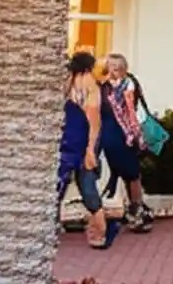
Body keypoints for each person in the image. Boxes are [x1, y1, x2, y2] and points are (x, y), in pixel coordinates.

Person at [58, 52, 118, 249]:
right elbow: (93, 120)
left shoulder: (76, 84)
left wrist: (90, 150)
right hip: (79, 140)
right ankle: (100, 231)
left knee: (81, 182)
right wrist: (91, 148)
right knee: (84, 182)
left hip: (73, 140)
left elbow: (93, 119)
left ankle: (102, 230)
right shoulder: (87, 84)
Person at [101, 54, 151, 233]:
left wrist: (136, 134)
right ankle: (134, 209)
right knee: (124, 173)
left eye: (116, 66)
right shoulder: (104, 86)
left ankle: (137, 210)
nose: (112, 69)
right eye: (110, 65)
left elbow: (134, 109)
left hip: (128, 136)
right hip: (111, 136)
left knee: (132, 174)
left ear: (123, 67)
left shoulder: (129, 84)